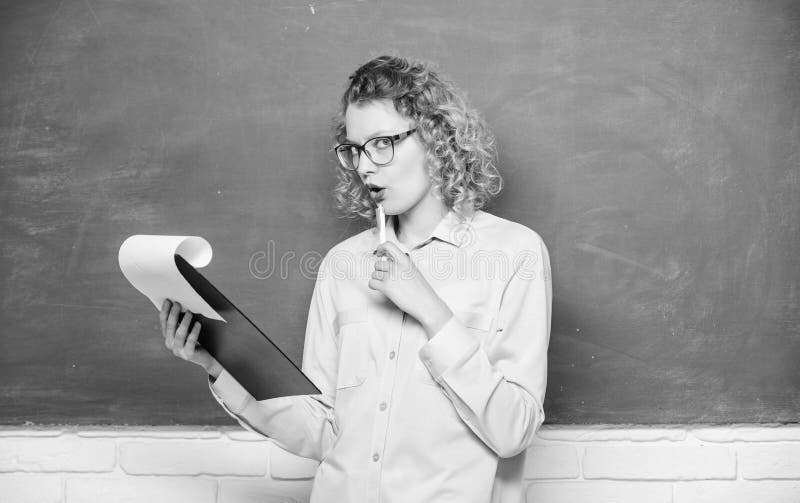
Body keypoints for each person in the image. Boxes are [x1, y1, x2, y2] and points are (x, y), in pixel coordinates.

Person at [159, 55, 551, 503]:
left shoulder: (513, 254)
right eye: (354, 149)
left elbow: (514, 430)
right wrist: (218, 364)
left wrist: (430, 310)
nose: (365, 166)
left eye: (382, 143)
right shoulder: (342, 265)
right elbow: (323, 430)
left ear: (435, 137)